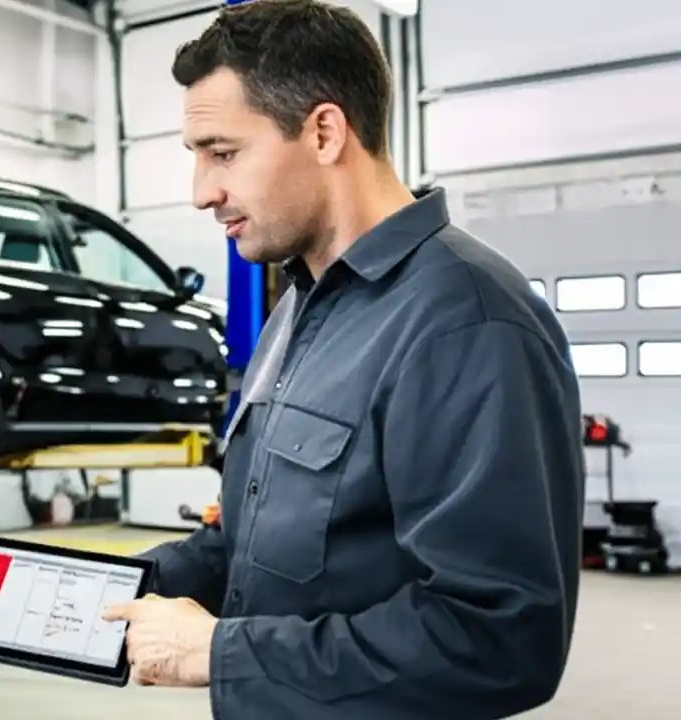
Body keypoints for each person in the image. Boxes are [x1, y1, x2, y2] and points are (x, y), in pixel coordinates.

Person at [102, 2, 585, 718]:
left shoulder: (469, 324)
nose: (202, 191)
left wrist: (221, 653)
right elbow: (257, 538)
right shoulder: (301, 305)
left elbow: (500, 638)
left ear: (324, 131)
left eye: (222, 152)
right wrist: (91, 585)